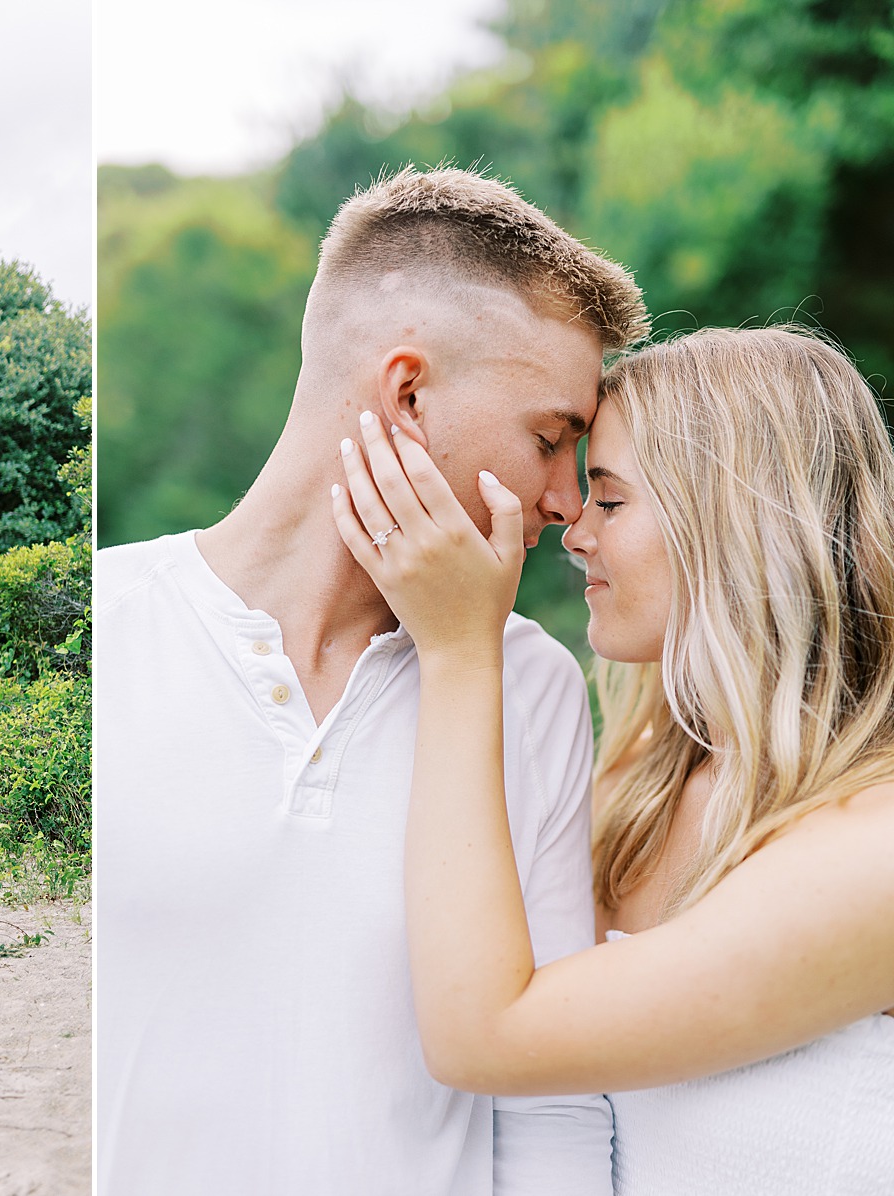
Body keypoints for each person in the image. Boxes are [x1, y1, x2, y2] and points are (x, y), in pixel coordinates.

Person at [96, 166, 648, 1194]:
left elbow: (549, 1106)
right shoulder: (107, 625)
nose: (566, 500)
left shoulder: (530, 683)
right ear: (406, 395)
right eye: (548, 439)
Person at [332, 325, 894, 1193]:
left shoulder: (873, 847)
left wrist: (460, 653)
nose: (575, 531)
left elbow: (486, 1036)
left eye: (612, 500)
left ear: (732, 520)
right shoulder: (634, 788)